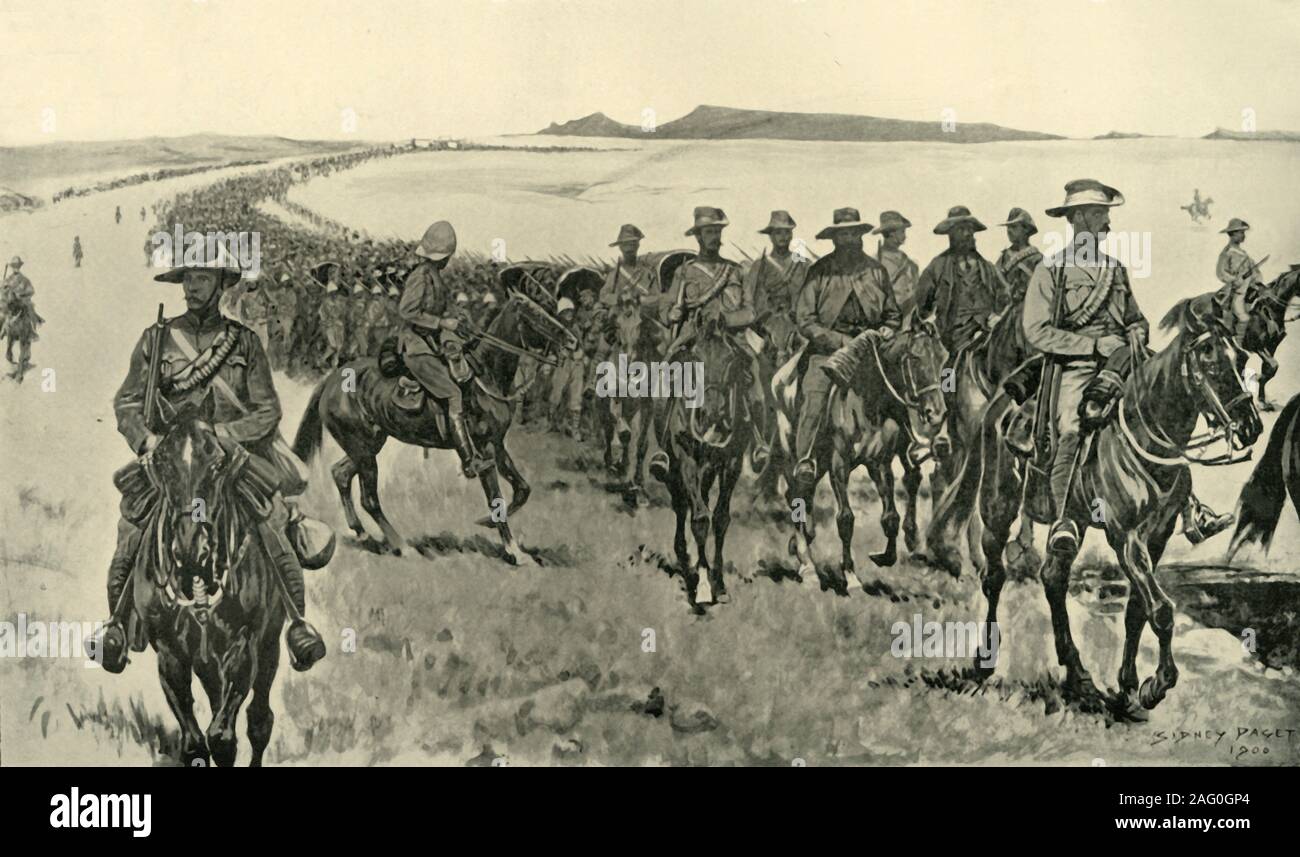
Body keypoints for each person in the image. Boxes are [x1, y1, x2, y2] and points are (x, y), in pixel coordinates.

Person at [90, 252, 325, 674]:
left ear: (221, 285)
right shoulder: (155, 340)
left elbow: (267, 410)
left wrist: (225, 437)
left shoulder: (244, 342)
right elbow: (127, 402)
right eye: (188, 278)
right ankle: (117, 626)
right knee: (131, 524)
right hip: (173, 461)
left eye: (202, 278)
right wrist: (146, 441)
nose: (192, 287)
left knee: (272, 519)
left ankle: (297, 624)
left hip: (227, 461)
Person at [1023, 179, 1232, 553]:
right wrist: (1090, 344)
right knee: (1071, 426)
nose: (1107, 222)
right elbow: (1036, 331)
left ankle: (1189, 508)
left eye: (1106, 214)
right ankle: (1064, 519)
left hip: (1123, 361)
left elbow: (1135, 317)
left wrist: (1136, 330)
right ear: (1079, 218)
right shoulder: (1050, 270)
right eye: (1101, 214)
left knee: (1166, 409)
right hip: (1075, 368)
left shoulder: (1115, 269)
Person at [652, 206, 772, 473]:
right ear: (698, 236)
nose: (715, 237)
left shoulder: (735, 272)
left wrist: (727, 320)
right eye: (709, 232)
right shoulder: (685, 273)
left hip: (731, 339)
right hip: (692, 337)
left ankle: (759, 443)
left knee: (755, 376)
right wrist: (671, 313)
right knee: (664, 380)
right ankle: (662, 449)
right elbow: (667, 306)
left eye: (718, 231)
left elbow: (750, 311)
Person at [791, 208, 902, 486]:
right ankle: (806, 458)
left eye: (854, 233)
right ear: (835, 238)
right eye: (843, 234)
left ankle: (915, 446)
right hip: (828, 350)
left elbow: (892, 313)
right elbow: (805, 319)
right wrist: (838, 341)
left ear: (861, 235)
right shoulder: (820, 272)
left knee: (905, 384)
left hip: (872, 350)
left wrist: (889, 327)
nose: (850, 238)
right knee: (814, 393)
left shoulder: (876, 271)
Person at [398, 220, 489, 477]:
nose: (447, 260)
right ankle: (469, 461)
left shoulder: (436, 277)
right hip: (416, 346)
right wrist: (440, 322)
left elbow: (445, 310)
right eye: (446, 256)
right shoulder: (419, 276)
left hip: (433, 343)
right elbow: (406, 311)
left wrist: (460, 323)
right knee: (453, 393)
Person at [914, 206, 1009, 356]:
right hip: (952, 335)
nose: (967, 234)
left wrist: (996, 316)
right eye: (961, 230)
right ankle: (947, 380)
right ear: (950, 234)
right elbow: (922, 304)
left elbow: (1005, 296)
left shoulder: (988, 267)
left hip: (987, 330)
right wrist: (931, 322)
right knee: (946, 370)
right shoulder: (937, 266)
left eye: (970, 230)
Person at [1215, 217, 1261, 343]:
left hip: (1250, 290)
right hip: (1237, 292)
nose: (1243, 235)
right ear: (1233, 234)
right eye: (1241, 233)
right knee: (1244, 318)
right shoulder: (1227, 252)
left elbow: (1254, 271)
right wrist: (1234, 280)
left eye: (1243, 232)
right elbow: (1220, 272)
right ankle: (1238, 343)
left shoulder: (1244, 253)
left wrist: (1257, 280)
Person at [2, 256, 42, 378]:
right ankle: (3, 330)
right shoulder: (8, 279)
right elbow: (2, 289)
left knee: (30, 308)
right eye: (14, 266)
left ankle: (32, 331)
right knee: (2, 313)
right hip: (10, 306)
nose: (16, 267)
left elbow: (31, 291)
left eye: (17, 266)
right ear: (12, 267)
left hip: (22, 303)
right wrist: (3, 287)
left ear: (20, 266)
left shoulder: (25, 280)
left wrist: (20, 295)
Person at [873, 211, 920, 312]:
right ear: (891, 233)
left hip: (910, 317)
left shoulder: (910, 263)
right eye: (902, 232)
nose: (905, 236)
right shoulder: (875, 262)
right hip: (889, 318)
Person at [995, 208, 1043, 304]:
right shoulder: (1004, 257)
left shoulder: (1037, 258)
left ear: (1026, 229)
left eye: (1014, 227)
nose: (1009, 231)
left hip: (1028, 309)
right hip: (1006, 309)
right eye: (1008, 227)